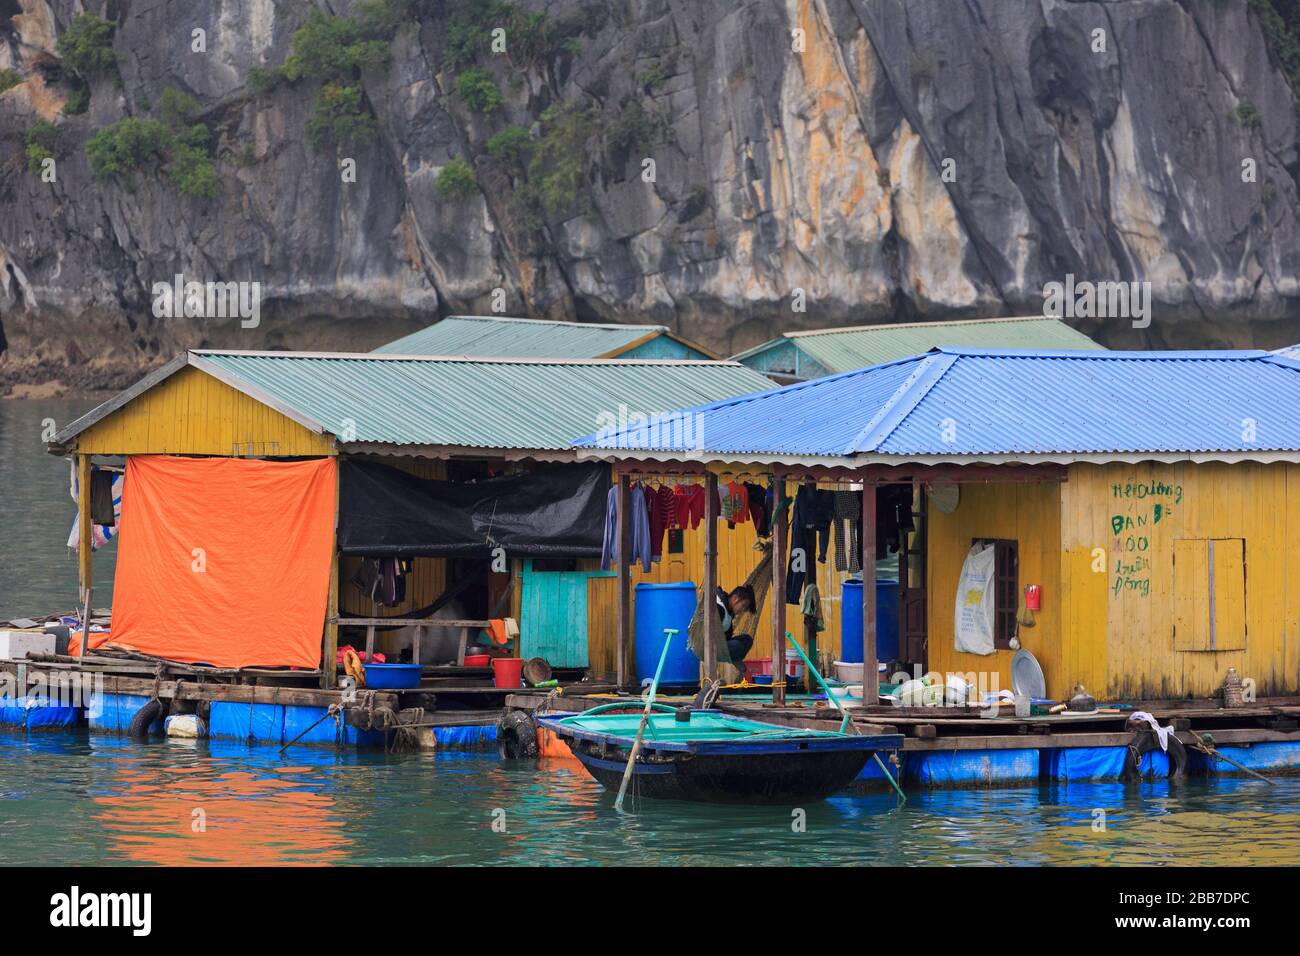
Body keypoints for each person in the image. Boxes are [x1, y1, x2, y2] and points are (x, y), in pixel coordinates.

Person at [713, 584, 756, 664]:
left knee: (747, 639)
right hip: (709, 646)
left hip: (719, 645)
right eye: (743, 606)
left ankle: (735, 659)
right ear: (735, 598)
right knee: (737, 645)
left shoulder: (728, 613)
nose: (742, 611)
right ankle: (734, 659)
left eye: (745, 609)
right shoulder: (718, 607)